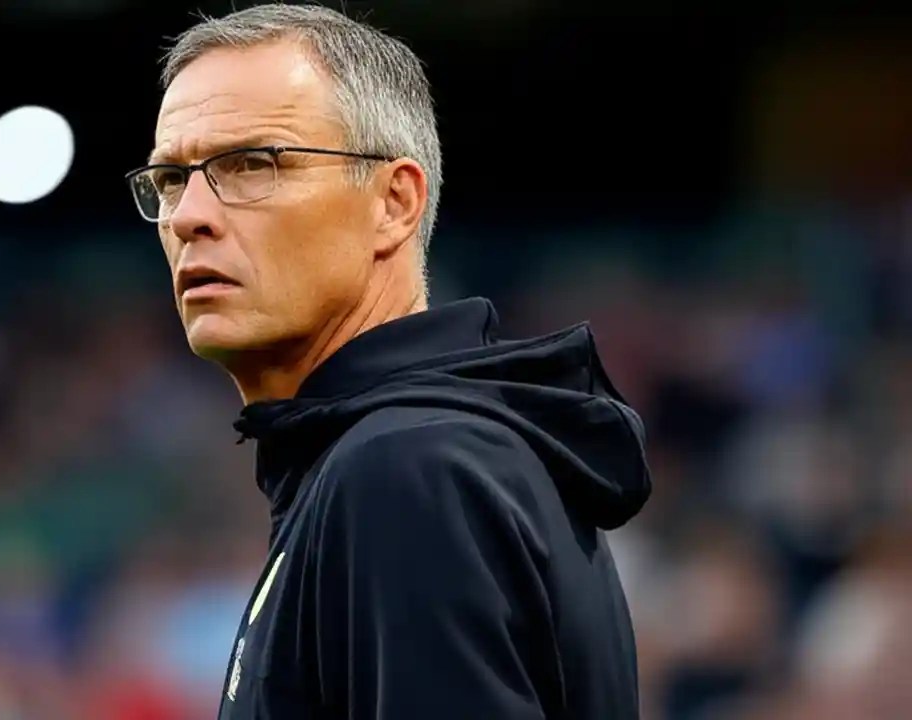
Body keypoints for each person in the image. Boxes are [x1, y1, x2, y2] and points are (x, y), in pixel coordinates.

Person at [124, 4, 652, 718]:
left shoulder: (408, 469)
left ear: (394, 203)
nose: (189, 216)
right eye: (169, 180)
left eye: (251, 164)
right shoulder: (404, 456)